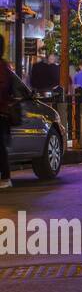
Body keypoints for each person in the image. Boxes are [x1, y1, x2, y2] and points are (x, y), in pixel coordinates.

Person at [0, 34, 15, 188]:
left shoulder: (2, 67)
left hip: (1, 112)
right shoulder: (5, 66)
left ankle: (5, 177)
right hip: (3, 111)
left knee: (0, 146)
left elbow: (3, 88)